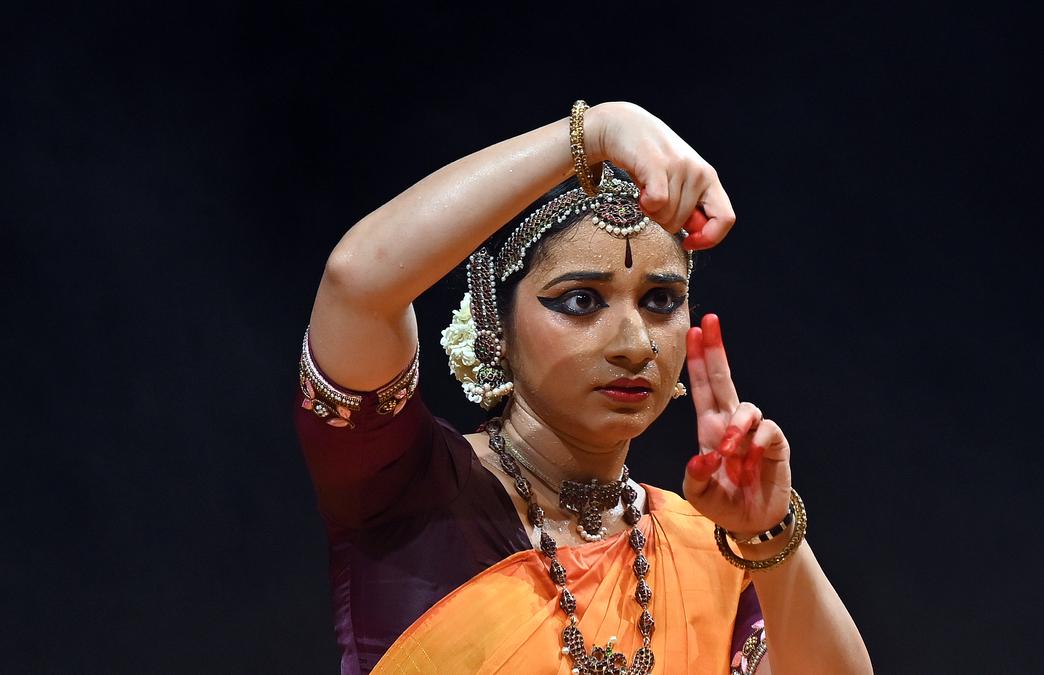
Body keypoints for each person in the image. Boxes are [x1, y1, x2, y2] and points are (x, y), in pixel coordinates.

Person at [293, 101, 872, 674]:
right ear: (496, 323)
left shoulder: (711, 548)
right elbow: (357, 283)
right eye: (580, 301)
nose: (634, 342)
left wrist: (771, 540)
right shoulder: (403, 486)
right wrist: (594, 131)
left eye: (660, 300)